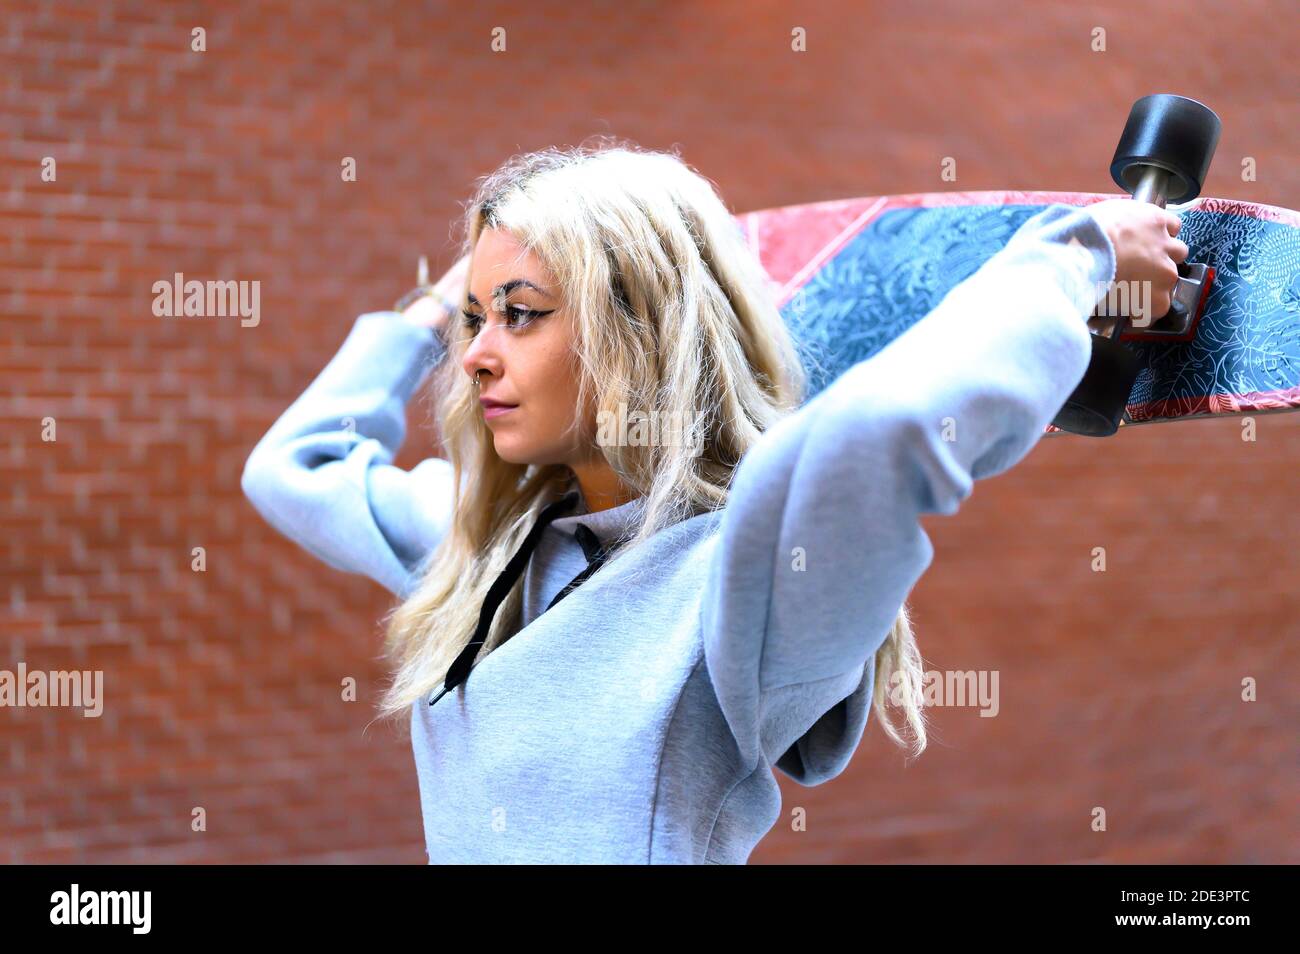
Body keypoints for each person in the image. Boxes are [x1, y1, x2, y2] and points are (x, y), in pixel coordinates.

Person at [240, 138, 1187, 863]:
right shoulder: (493, 553)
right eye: (478, 323)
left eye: (523, 314)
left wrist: (1081, 257)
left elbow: (881, 434)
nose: (478, 353)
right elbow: (293, 467)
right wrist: (440, 306)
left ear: (640, 329)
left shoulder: (746, 576)